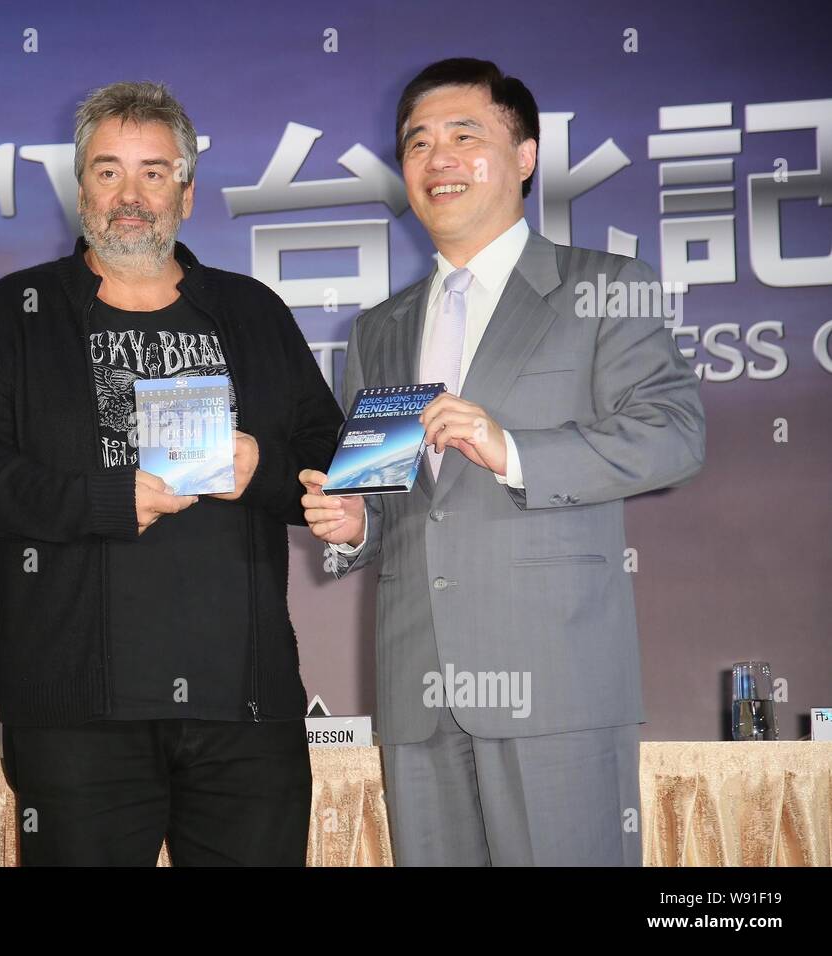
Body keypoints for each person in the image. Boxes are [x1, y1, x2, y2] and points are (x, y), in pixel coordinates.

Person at [300, 58, 705, 866]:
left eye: (464, 135)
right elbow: (393, 500)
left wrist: (510, 449)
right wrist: (353, 520)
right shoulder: (380, 328)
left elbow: (673, 436)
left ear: (524, 157)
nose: (437, 158)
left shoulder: (602, 288)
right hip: (419, 693)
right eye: (417, 143)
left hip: (554, 682)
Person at [0, 81, 342, 866]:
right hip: (75, 717)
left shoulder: (252, 310)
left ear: (186, 193)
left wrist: (262, 470)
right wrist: (99, 499)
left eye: (154, 173)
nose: (131, 195)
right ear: (80, 187)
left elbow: (329, 462)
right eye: (108, 171)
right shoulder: (15, 312)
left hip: (243, 711)